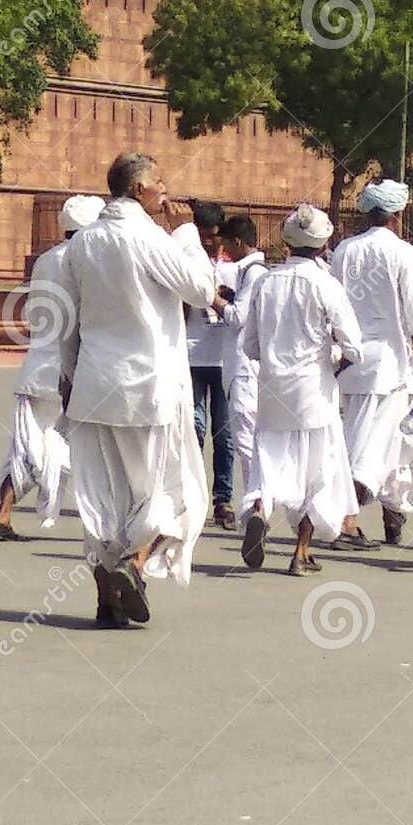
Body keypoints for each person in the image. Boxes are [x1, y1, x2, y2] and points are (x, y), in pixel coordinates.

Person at [60, 153, 216, 628]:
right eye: (158, 182)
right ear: (138, 189)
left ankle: (107, 603)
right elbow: (202, 289)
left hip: (93, 384)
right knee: (176, 488)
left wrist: (67, 377)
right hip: (149, 387)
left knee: (103, 497)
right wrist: (187, 234)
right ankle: (136, 561)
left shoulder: (82, 243)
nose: (165, 190)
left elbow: (70, 320)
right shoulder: (149, 236)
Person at [238, 204, 365, 575]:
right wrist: (335, 356)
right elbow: (354, 347)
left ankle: (260, 509)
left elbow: (250, 347)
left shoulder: (265, 282)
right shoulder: (327, 284)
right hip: (315, 393)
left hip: (272, 390)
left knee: (269, 461)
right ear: (324, 245)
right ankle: (300, 552)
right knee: (316, 472)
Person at [0, 195, 105, 541]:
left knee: (23, 447)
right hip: (73, 368)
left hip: (36, 364)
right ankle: (107, 529)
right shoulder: (88, 262)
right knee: (89, 447)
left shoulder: (44, 262)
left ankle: (3, 515)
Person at [329, 178, 413, 547]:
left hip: (350, 362)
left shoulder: (344, 250)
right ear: (397, 216)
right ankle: (344, 518)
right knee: (369, 448)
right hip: (389, 365)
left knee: (387, 443)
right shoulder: (403, 253)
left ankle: (392, 513)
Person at [172, 200, 238, 529]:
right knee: (194, 429)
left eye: (214, 236)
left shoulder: (234, 268)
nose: (209, 242)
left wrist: (224, 297)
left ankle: (223, 499)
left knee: (224, 434)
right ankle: (191, 496)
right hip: (192, 355)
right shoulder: (184, 262)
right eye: (204, 236)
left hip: (223, 358)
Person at [216, 215, 268, 516]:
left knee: (246, 441)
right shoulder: (249, 273)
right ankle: (256, 503)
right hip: (241, 368)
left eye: (226, 245)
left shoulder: (254, 272)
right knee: (246, 440)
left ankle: (256, 506)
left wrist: (213, 300)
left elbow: (238, 318)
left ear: (237, 243)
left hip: (245, 369)